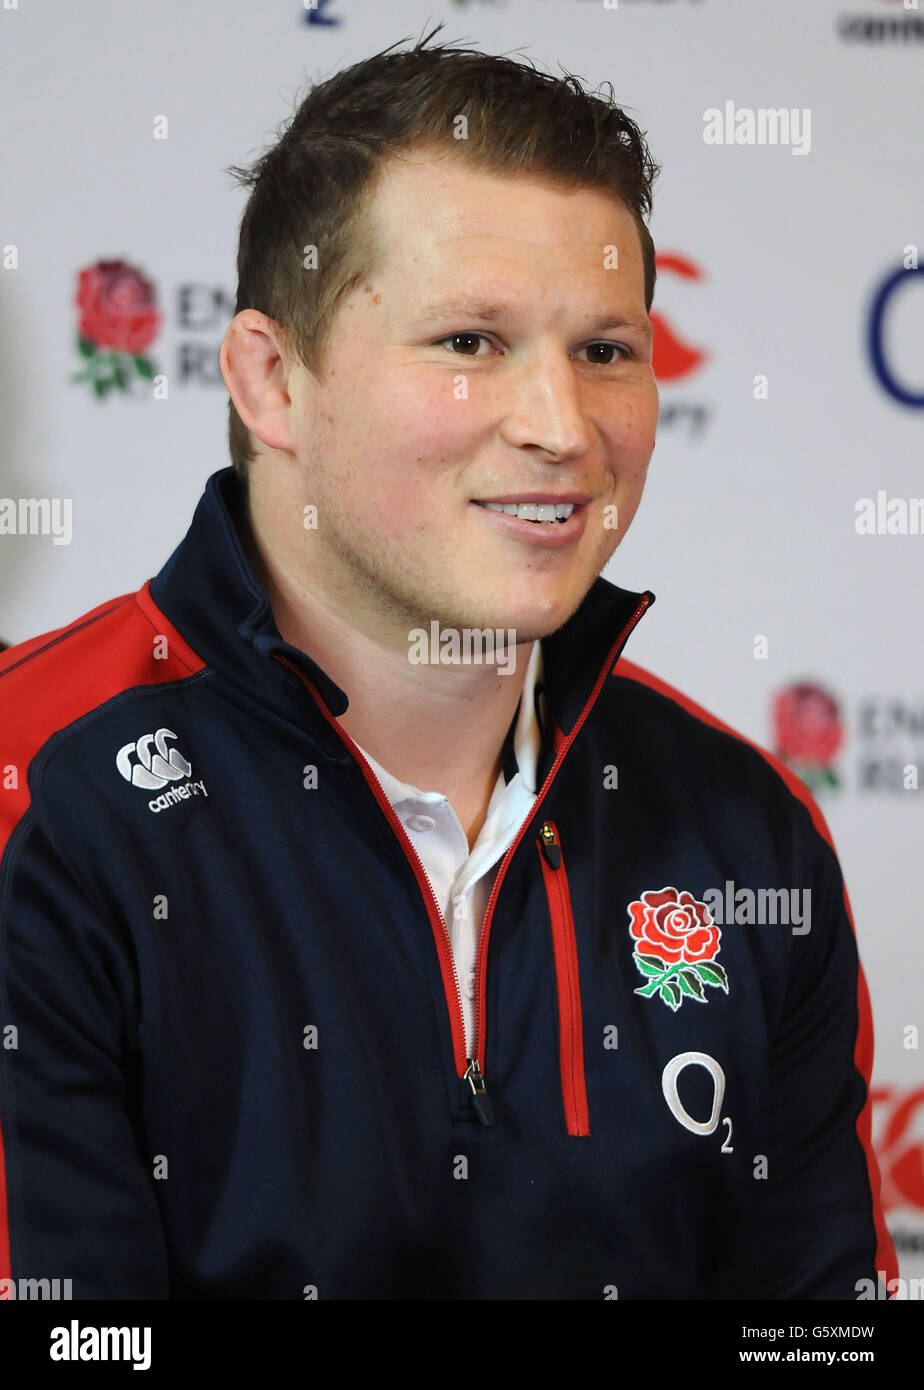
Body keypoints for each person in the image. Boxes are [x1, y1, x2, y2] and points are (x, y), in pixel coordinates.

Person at [0, 26, 896, 1300]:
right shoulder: (31, 779)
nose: (561, 428)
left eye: (606, 350)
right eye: (470, 342)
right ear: (271, 378)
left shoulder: (746, 831)